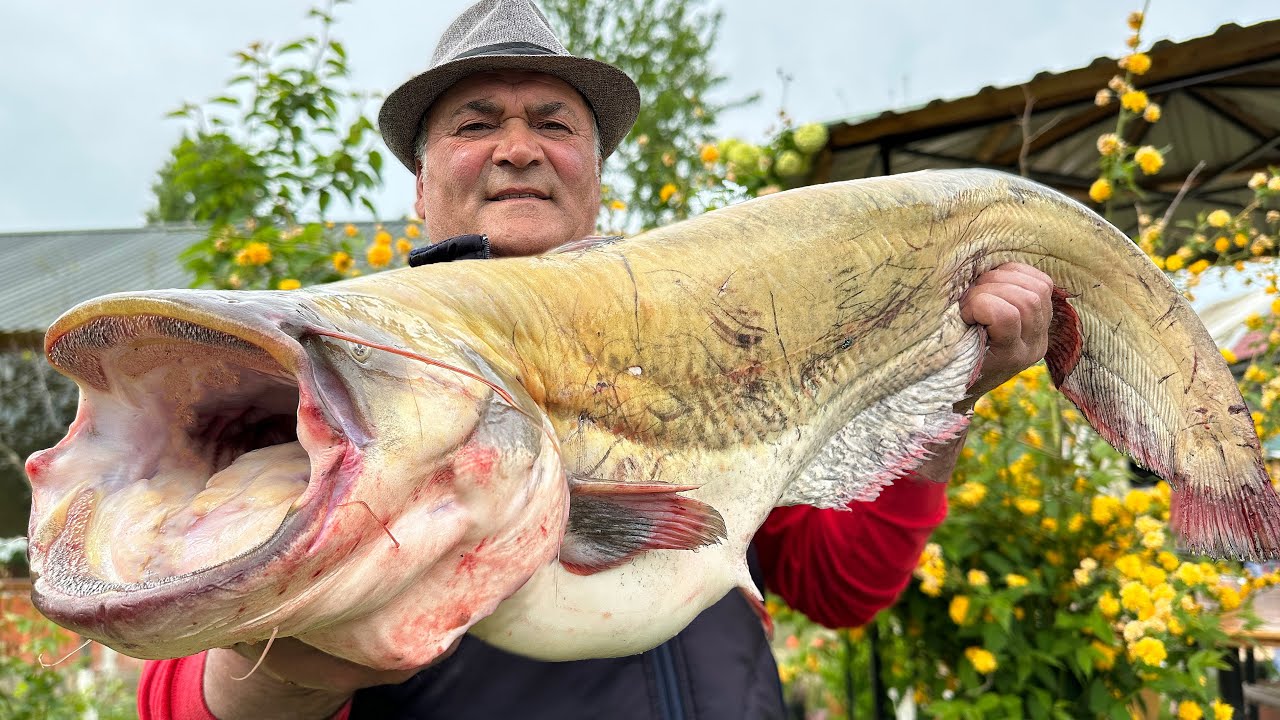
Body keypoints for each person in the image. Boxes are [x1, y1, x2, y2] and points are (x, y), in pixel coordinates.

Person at [138, 1, 1054, 718]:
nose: (520, 148)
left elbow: (838, 582)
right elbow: (183, 687)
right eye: (475, 122)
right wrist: (281, 685)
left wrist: (939, 404)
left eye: (554, 122)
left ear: (595, 173)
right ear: (421, 186)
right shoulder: (341, 365)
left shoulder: (710, 340)